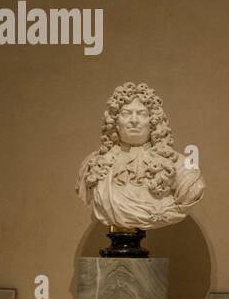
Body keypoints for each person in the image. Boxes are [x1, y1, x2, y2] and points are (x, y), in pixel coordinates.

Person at [77, 82, 205, 230]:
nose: (134, 120)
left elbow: (194, 190)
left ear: (153, 122)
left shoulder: (182, 166)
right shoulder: (93, 166)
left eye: (142, 114)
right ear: (115, 121)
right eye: (126, 113)